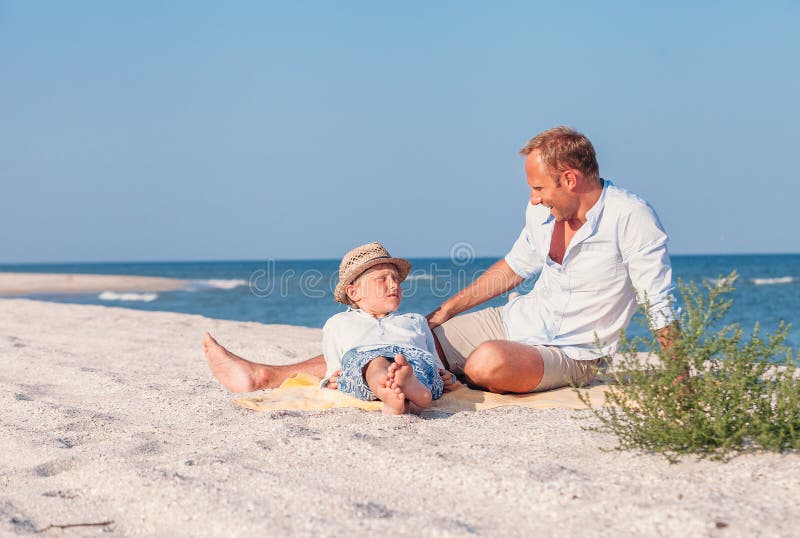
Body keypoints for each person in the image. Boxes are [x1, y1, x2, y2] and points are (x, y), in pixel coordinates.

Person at [204, 126, 678, 395]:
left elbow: (659, 303)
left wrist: (681, 382)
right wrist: (446, 311)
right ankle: (266, 376)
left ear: (570, 179)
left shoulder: (630, 217)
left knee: (488, 361)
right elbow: (514, 268)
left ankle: (449, 374)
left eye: (538, 187)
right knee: (407, 335)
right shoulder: (541, 214)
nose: (533, 198)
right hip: (517, 321)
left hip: (573, 352)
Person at [321, 242, 453, 414]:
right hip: (365, 362)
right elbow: (333, 366)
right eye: (382, 279)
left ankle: (406, 393)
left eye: (395, 279)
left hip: (411, 360)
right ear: (354, 293)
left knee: (413, 366)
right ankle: (403, 394)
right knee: (375, 363)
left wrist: (445, 375)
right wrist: (329, 381)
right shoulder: (338, 323)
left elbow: (433, 360)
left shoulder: (415, 320)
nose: (393, 285)